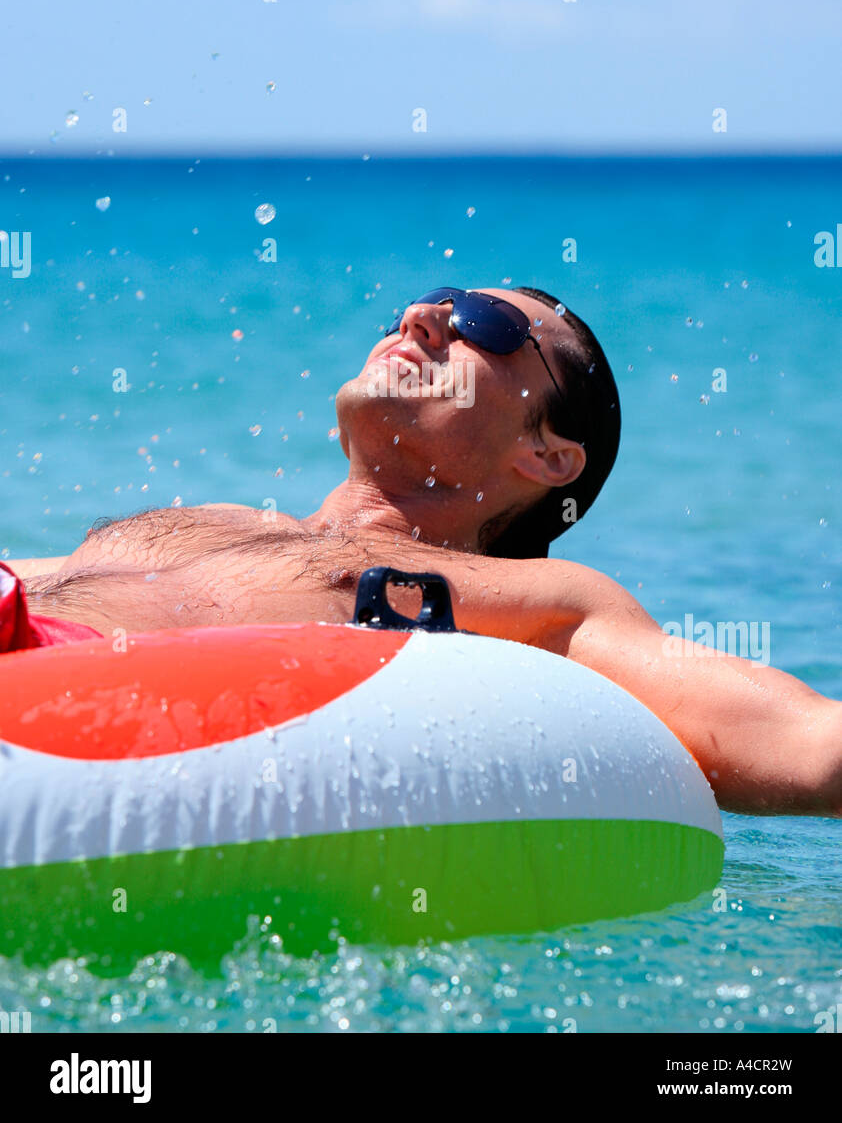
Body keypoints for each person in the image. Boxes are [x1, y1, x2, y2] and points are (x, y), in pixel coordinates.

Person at [6, 286, 841, 818]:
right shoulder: (209, 517)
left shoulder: (533, 598)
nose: (421, 317)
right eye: (431, 302)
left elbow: (805, 744)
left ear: (549, 457)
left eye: (486, 323)